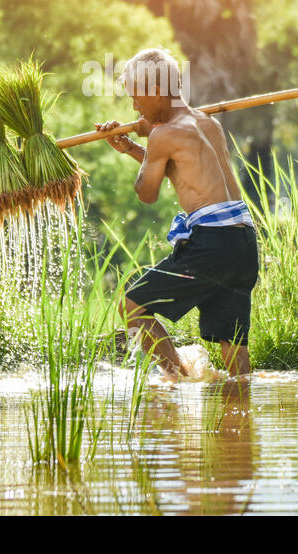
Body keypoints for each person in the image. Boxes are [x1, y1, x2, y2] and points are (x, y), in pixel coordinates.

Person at [95, 47, 260, 379]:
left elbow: (147, 193)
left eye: (136, 98)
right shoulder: (207, 123)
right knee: (232, 348)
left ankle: (177, 379)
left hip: (212, 243)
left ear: (157, 92)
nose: (133, 107)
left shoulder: (163, 135)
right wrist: (131, 146)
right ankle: (240, 416)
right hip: (242, 242)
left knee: (132, 305)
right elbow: (179, 169)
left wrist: (149, 140)